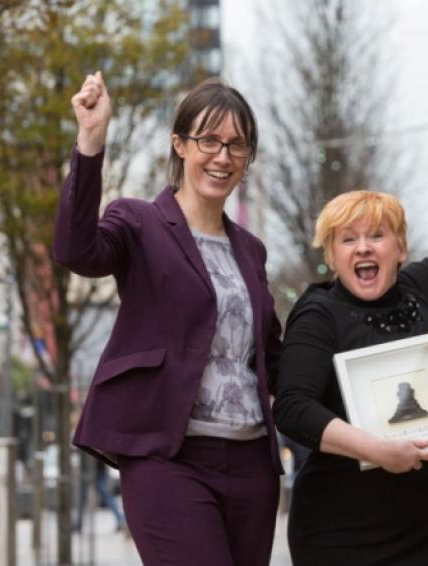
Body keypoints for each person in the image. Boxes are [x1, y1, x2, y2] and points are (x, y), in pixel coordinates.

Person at [54, 72, 283, 566]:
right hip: (168, 458)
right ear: (179, 144)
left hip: (252, 464)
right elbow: (76, 251)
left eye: (237, 146)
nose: (222, 157)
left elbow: (273, 356)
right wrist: (91, 141)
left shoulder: (252, 251)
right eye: (209, 140)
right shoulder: (139, 222)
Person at [273, 190, 428, 565]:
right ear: (333, 255)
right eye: (348, 239)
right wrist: (377, 451)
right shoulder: (318, 314)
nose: (363, 248)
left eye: (377, 236)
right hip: (343, 534)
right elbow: (292, 409)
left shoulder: (417, 290)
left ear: (400, 249)